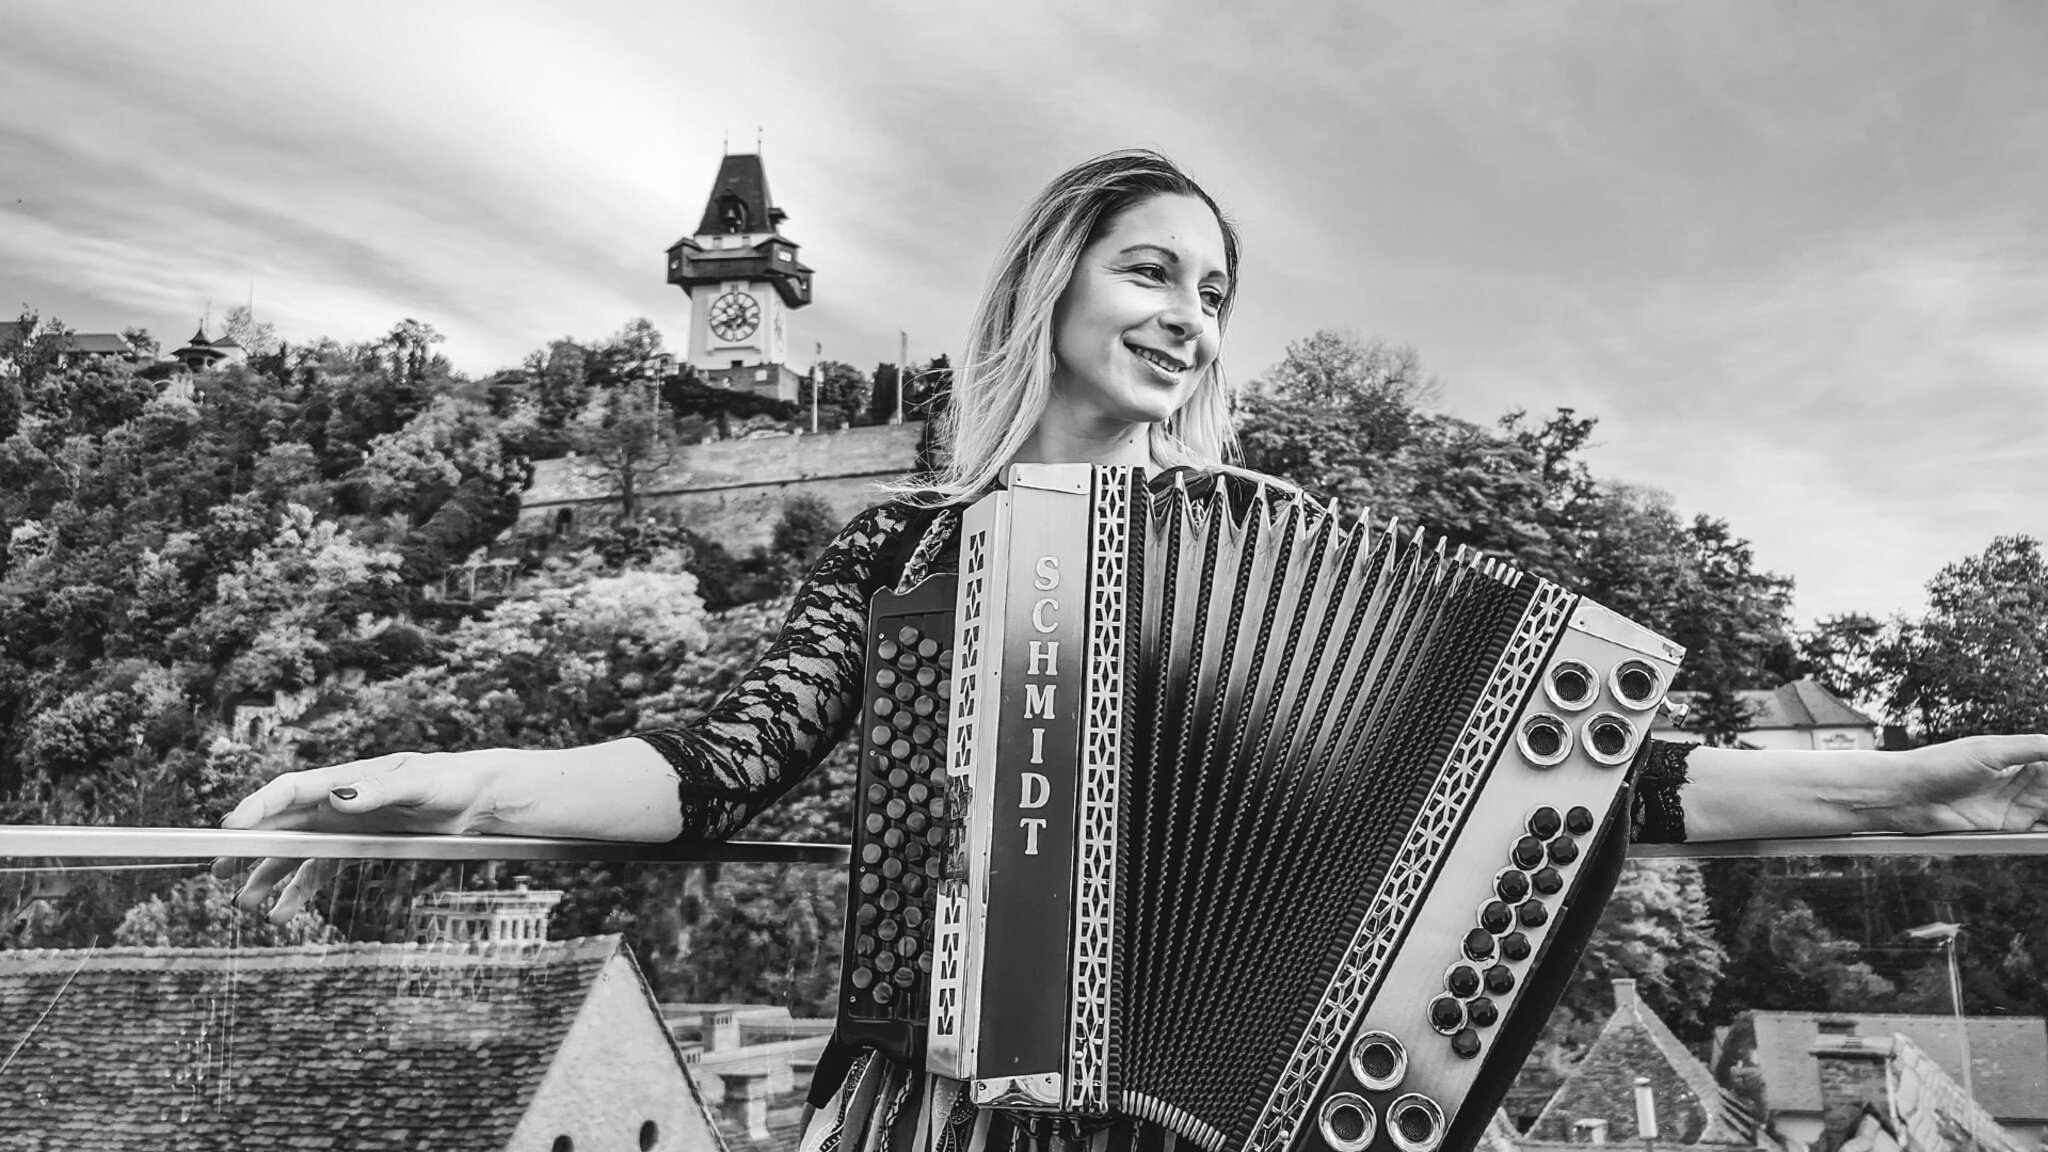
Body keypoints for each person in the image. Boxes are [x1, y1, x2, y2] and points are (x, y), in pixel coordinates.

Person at [215, 150, 2048, 1152]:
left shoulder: (1273, 563)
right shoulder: (919, 546)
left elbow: (1586, 784)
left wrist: (1896, 777)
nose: (1189, 317)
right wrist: (452, 776)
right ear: (1057, 284)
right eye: (1155, 271)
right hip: (948, 1106)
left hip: (1202, 1121)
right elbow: (707, 763)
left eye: (1217, 291)